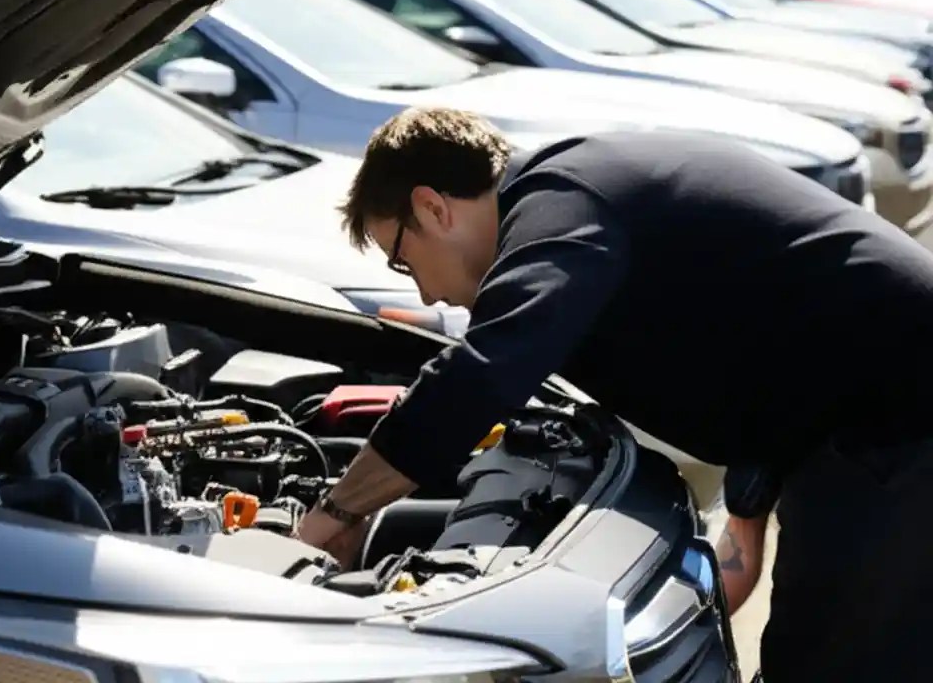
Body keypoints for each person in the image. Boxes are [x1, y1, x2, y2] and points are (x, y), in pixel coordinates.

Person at [292, 107, 933, 682]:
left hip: (896, 422)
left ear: (433, 207)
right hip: (868, 419)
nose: (425, 294)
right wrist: (749, 512)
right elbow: (755, 341)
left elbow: (486, 371)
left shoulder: (564, 204)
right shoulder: (585, 185)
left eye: (402, 260)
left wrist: (339, 512)